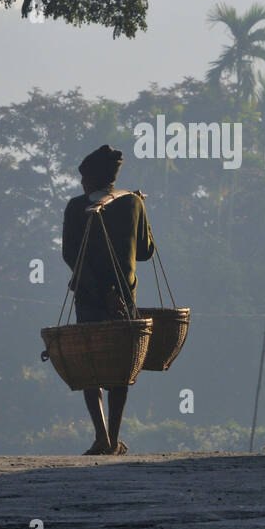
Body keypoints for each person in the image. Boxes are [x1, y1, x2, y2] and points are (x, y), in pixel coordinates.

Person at [61, 145, 155, 456]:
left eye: (83, 178)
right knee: (119, 368)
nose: (81, 184)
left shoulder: (75, 208)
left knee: (91, 365)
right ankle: (113, 438)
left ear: (90, 178)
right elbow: (144, 251)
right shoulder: (132, 204)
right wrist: (140, 209)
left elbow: (69, 255)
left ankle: (102, 437)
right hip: (124, 299)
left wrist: (97, 289)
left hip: (89, 298)